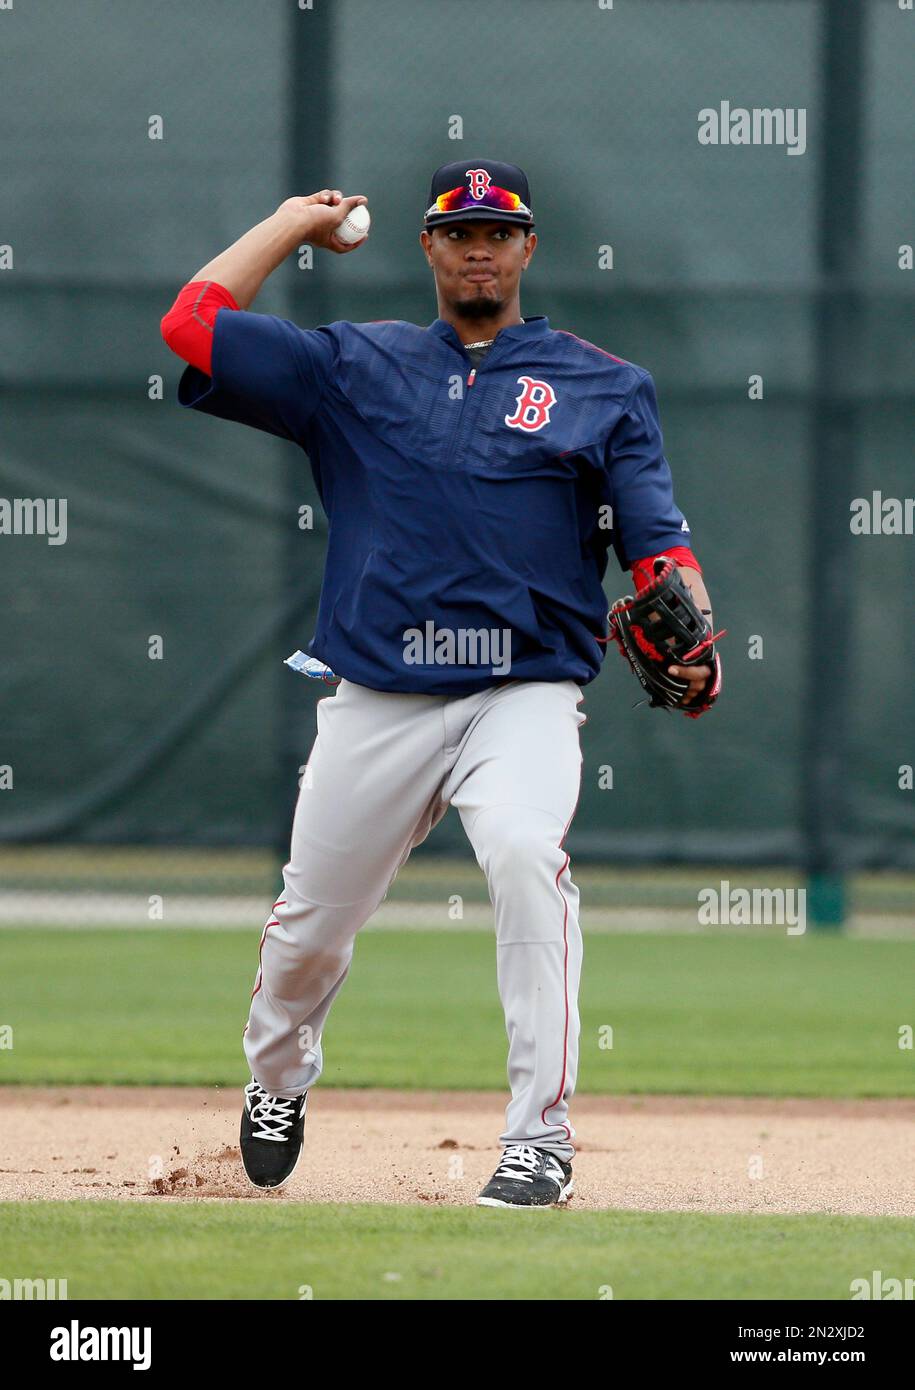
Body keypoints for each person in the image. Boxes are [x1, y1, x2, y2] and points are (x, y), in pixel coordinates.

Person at [160, 159, 717, 1208]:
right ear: (426, 246)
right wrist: (289, 222)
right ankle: (278, 1078)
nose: (478, 245)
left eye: (498, 231)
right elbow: (191, 327)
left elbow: (656, 544)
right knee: (309, 927)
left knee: (522, 855)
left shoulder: (604, 384)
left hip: (525, 691)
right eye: (457, 229)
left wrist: (687, 609)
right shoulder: (350, 366)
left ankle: (538, 1141)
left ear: (527, 248)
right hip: (379, 691)